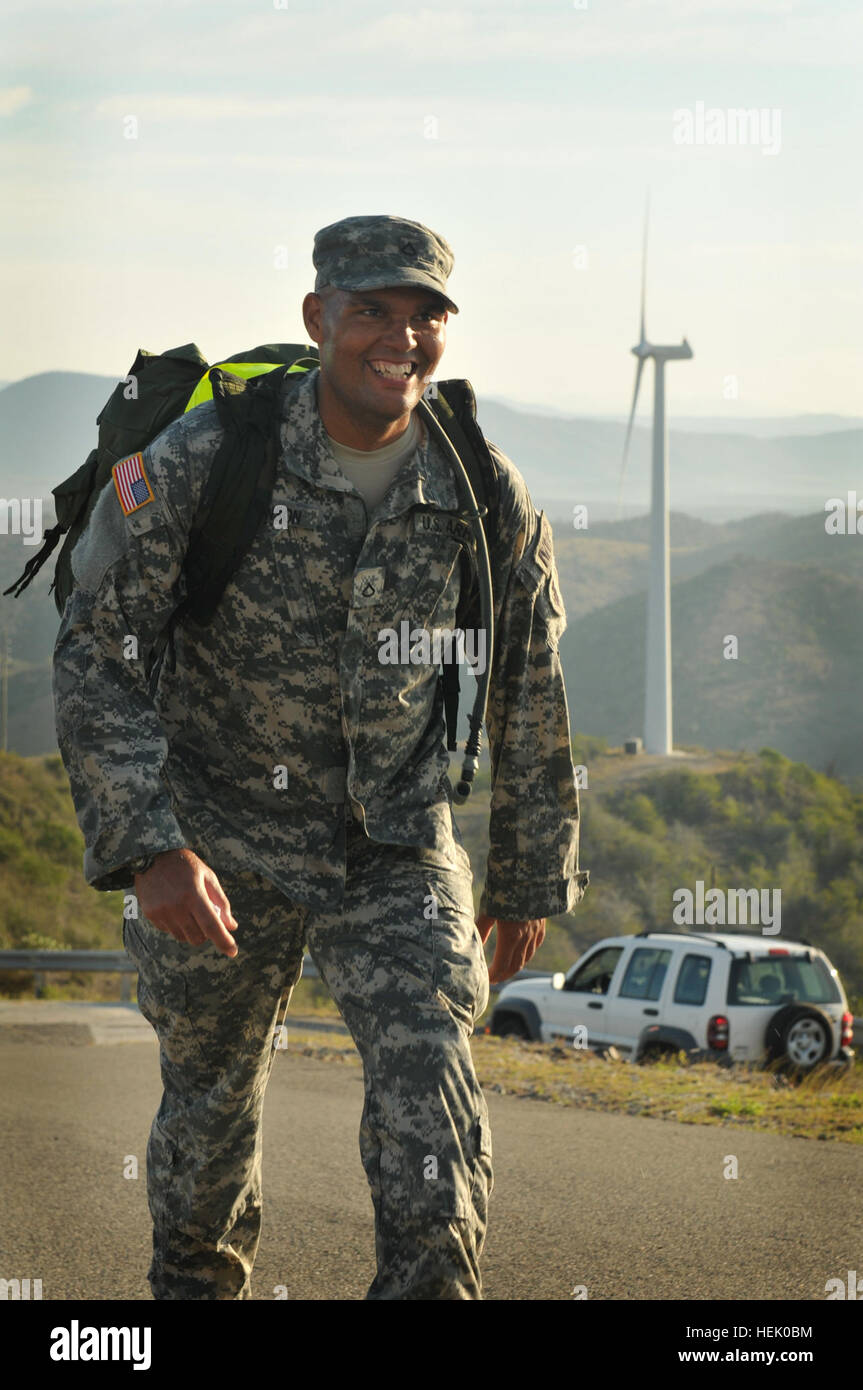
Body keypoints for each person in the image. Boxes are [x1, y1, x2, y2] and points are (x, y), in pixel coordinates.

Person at [53, 213, 589, 1301]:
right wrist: (149, 846)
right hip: (215, 841)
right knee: (208, 1120)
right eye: (372, 312)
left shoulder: (481, 488)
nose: (400, 337)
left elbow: (530, 684)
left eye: (424, 315)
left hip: (392, 843)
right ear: (317, 318)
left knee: (432, 1097)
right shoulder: (208, 459)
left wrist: (530, 877)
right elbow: (99, 651)